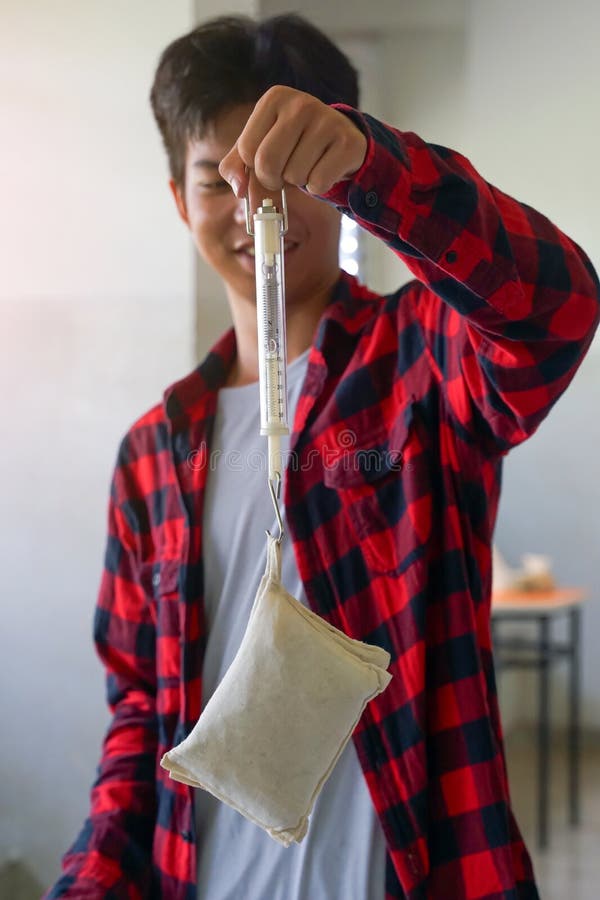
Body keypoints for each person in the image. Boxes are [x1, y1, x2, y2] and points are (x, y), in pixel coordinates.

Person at [45, 13, 599, 900]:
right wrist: (95, 878)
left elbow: (556, 311)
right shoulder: (152, 455)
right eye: (218, 181)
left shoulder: (417, 359)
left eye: (289, 172)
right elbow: (140, 717)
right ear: (181, 200)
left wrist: (380, 169)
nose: (256, 207)